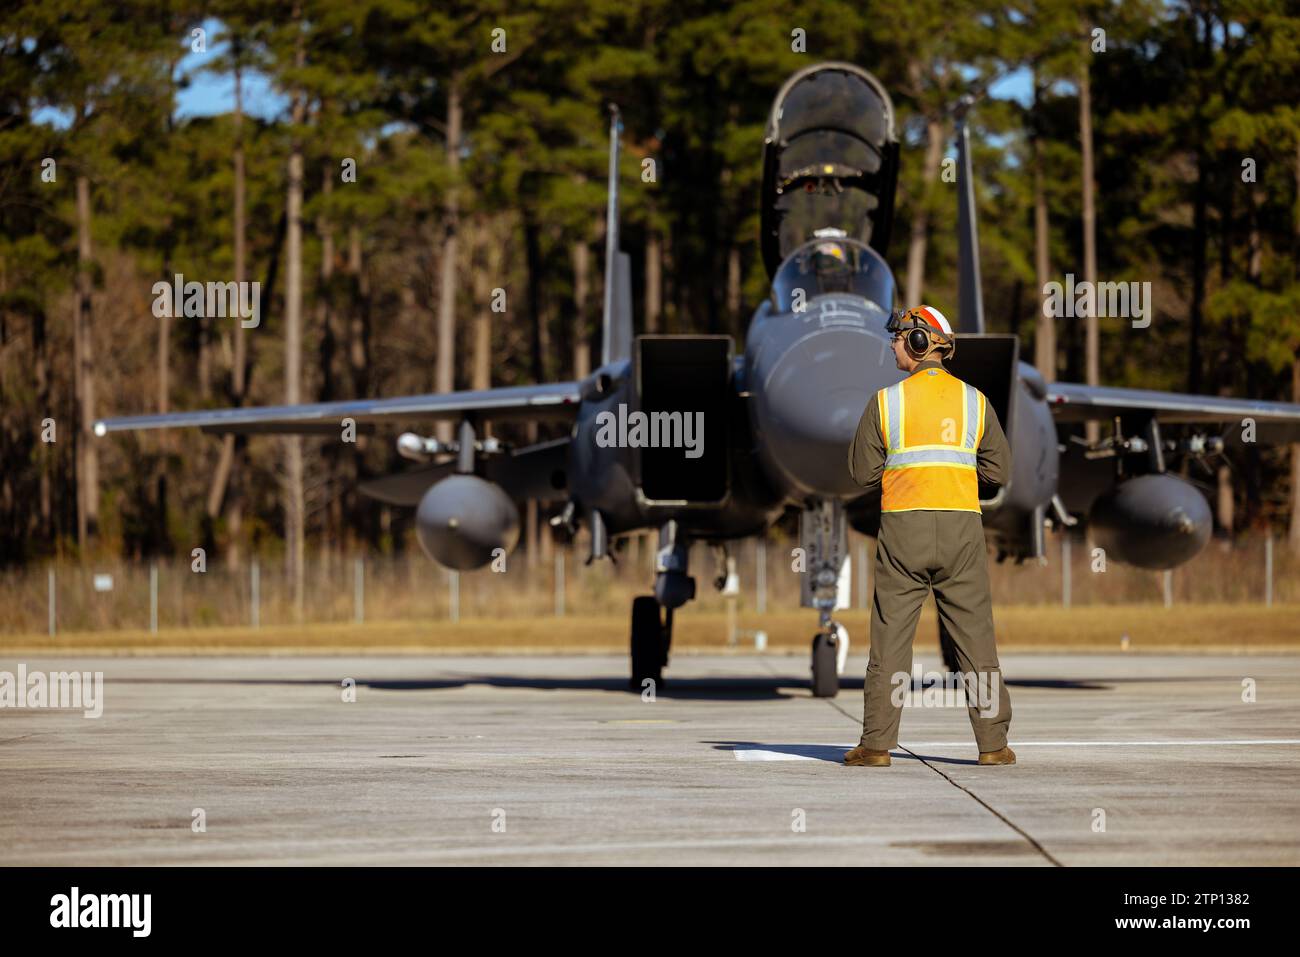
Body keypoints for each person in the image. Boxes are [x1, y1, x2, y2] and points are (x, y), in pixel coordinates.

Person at [843, 305, 1016, 768]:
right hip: (962, 528)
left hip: (903, 530)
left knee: (890, 640)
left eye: (899, 338)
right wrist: (955, 477)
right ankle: (993, 746)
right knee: (976, 640)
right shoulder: (975, 401)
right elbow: (999, 470)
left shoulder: (885, 402)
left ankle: (876, 747)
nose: (893, 344)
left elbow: (861, 471)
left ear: (920, 343)